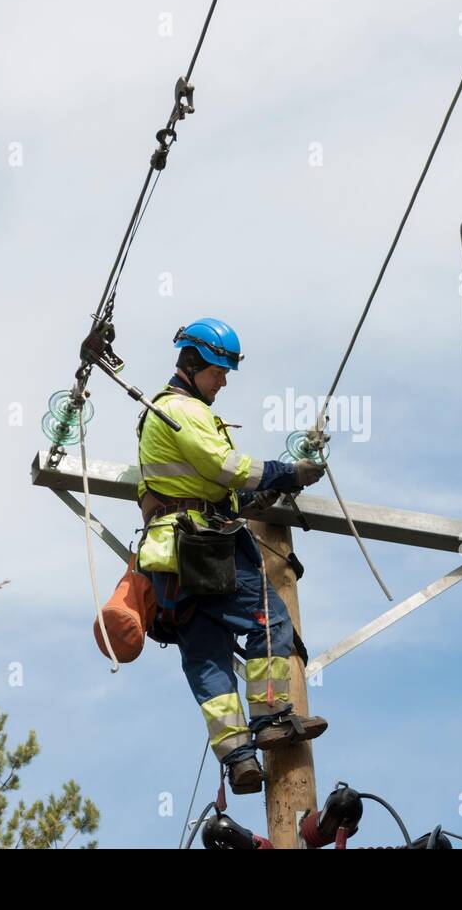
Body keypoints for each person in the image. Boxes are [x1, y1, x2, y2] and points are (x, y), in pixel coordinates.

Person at [135, 317, 328, 794]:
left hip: (170, 560)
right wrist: (286, 473)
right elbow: (227, 467)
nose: (222, 382)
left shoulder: (164, 418)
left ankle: (239, 757)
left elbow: (191, 487)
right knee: (270, 621)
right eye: (217, 372)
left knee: (206, 653)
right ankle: (271, 720)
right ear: (192, 363)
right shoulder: (179, 411)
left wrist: (245, 500)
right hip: (203, 548)